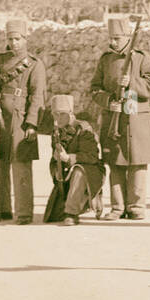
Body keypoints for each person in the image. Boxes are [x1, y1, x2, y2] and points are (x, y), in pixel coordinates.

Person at [90, 17, 150, 220]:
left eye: (117, 38)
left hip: (137, 118)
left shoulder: (141, 58)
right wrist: (108, 100)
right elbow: (95, 89)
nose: (112, 42)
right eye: (111, 38)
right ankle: (118, 208)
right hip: (115, 117)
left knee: (138, 163)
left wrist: (132, 82)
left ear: (128, 37)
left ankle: (136, 207)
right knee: (115, 162)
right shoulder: (105, 60)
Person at [0, 18, 46, 224]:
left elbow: (37, 96)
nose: (14, 43)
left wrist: (32, 124)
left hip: (20, 119)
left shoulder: (35, 65)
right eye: (10, 39)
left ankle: (24, 212)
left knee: (21, 167)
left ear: (25, 39)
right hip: (0, 119)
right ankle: (2, 209)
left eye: (17, 39)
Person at [45, 95, 106, 226]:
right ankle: (72, 204)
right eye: (55, 114)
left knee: (79, 170)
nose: (58, 118)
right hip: (67, 173)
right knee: (51, 215)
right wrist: (56, 161)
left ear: (71, 114)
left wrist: (69, 158)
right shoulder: (56, 133)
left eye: (62, 114)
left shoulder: (84, 129)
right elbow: (54, 162)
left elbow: (92, 157)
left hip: (90, 171)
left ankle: (71, 213)